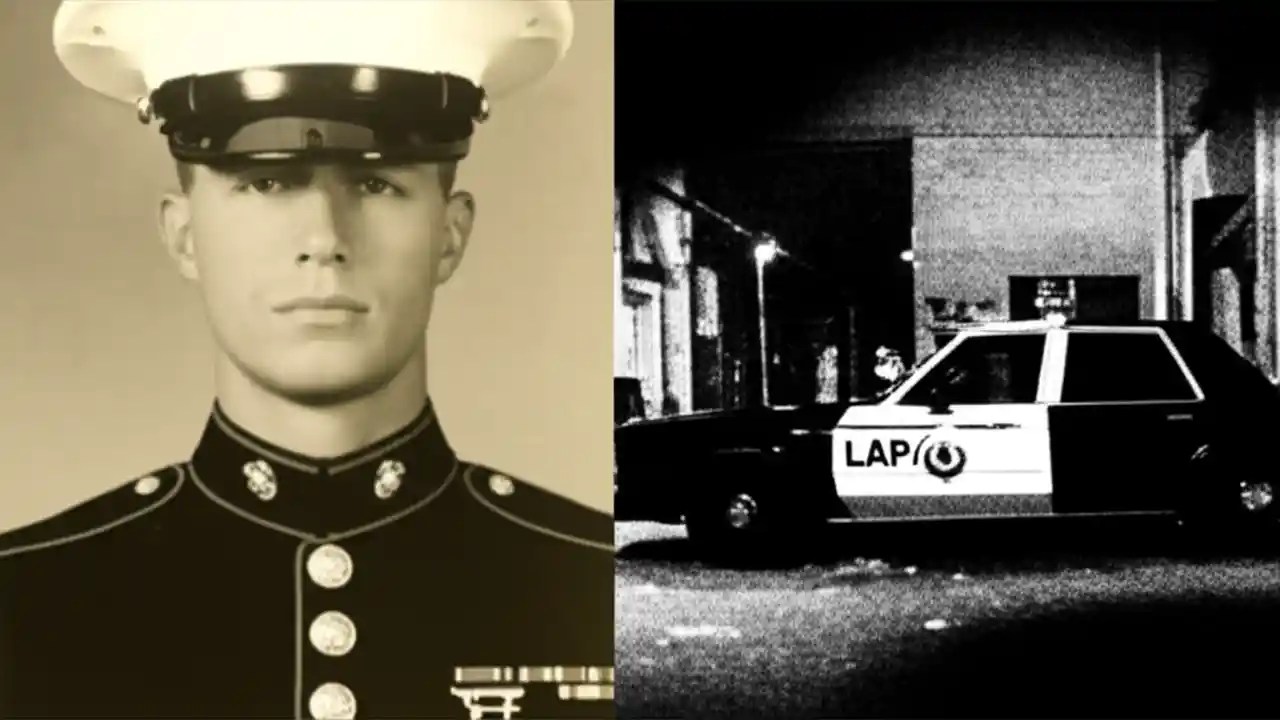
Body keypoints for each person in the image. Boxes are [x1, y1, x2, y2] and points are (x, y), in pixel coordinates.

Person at [0, 2, 614, 719]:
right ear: (183, 235)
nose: (324, 237)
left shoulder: (588, 584)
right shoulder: (27, 602)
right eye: (267, 182)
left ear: (449, 236)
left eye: (376, 183)